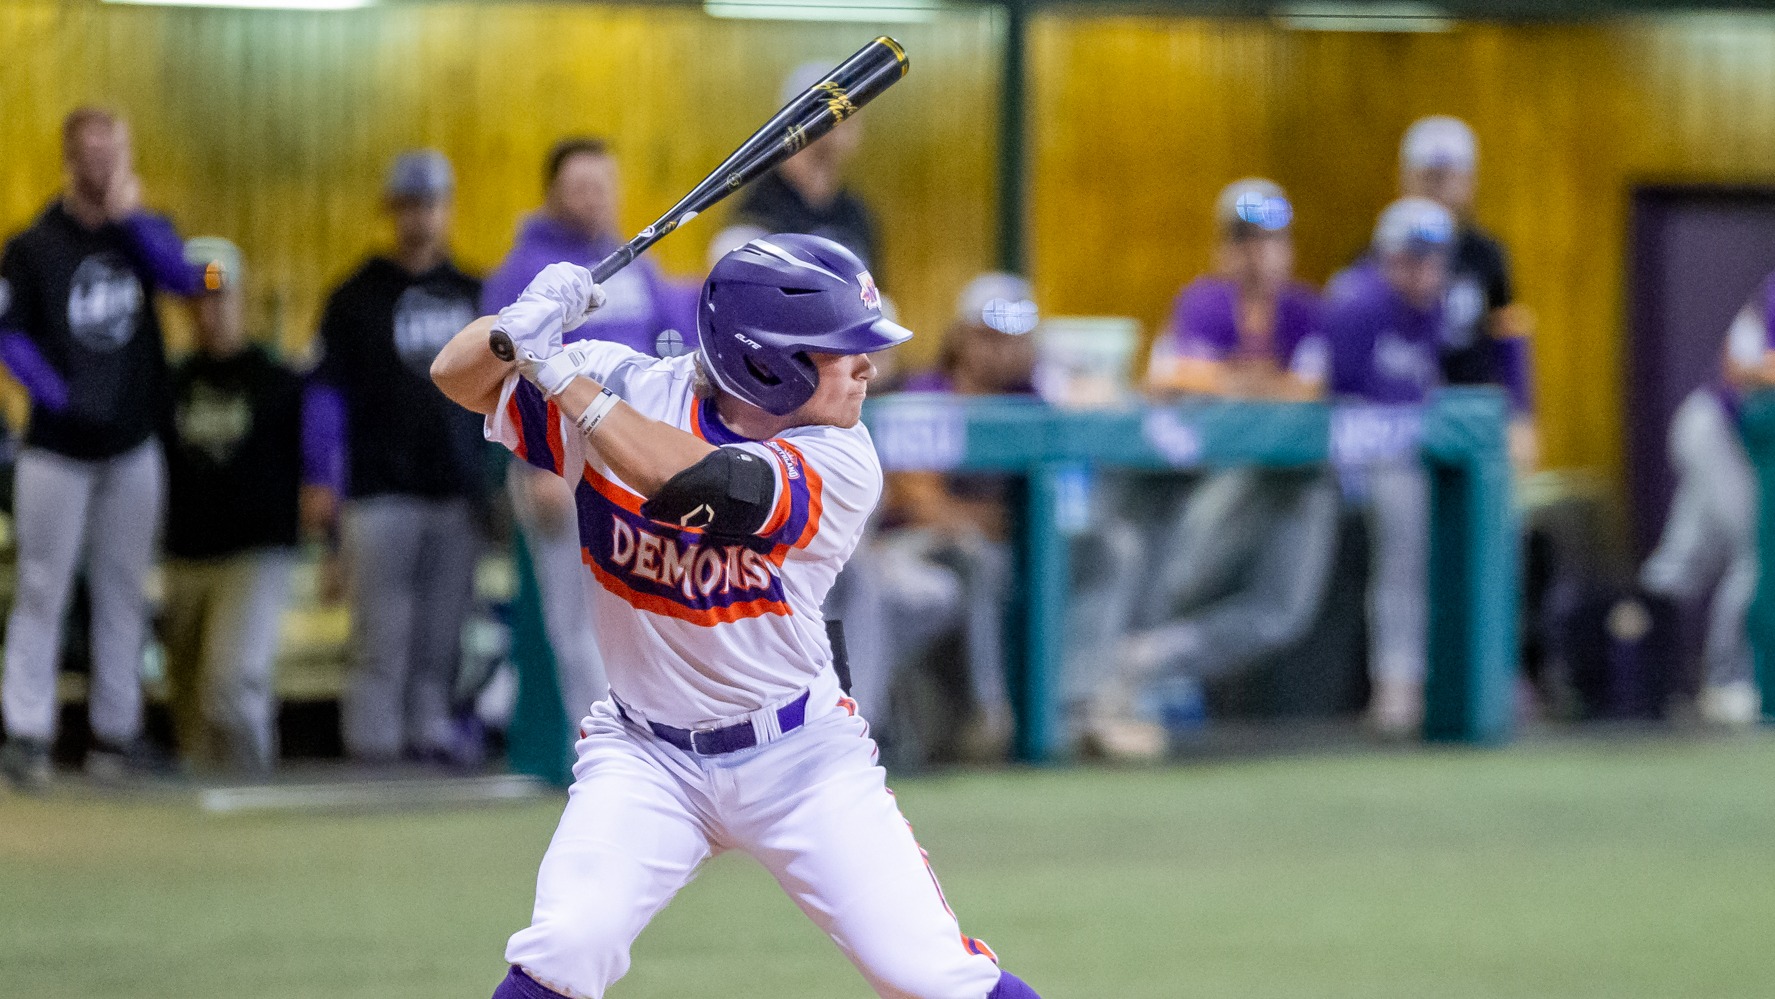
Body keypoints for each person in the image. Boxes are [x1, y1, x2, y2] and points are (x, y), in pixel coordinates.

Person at [430, 235, 1043, 999]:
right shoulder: (625, 385)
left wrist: (556, 369)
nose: (868, 366)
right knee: (566, 945)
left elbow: (698, 482)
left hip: (797, 754)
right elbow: (453, 377)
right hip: (647, 754)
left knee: (930, 973)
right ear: (765, 361)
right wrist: (511, 329)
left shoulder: (842, 456)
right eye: (842, 350)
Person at [1084, 179, 1339, 759]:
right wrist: (1257, 384)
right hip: (1207, 480)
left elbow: (1312, 392)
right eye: (1245, 240)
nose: (1259, 254)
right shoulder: (1205, 301)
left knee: (1282, 615)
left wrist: (1237, 382)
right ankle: (1112, 683)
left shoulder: (1304, 308)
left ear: (1288, 248)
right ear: (1226, 249)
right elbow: (1174, 381)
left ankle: (1140, 664)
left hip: (1296, 480)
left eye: (1271, 240)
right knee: (1177, 576)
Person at [0, 108, 203, 791]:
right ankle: (27, 731)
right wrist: (56, 397)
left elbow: (189, 282)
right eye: (90, 150)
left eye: (113, 149)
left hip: (132, 444)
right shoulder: (33, 245)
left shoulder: (145, 232)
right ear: (69, 155)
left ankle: (116, 734)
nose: (101, 161)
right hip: (56, 448)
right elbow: (8, 334)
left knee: (124, 590)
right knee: (42, 586)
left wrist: (134, 220)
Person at [484, 138, 699, 731]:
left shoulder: (637, 264)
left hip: (633, 459)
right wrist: (539, 466)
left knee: (648, 610)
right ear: (553, 194)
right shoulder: (526, 271)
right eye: (581, 187)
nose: (595, 199)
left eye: (604, 185)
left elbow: (677, 350)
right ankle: (602, 748)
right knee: (579, 623)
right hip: (560, 458)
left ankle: (655, 742)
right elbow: (506, 366)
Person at [306, 150, 486, 764]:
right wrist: (321, 476)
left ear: (446, 208)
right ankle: (373, 744)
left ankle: (427, 733)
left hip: (454, 488)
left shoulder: (474, 293)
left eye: (431, 202)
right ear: (393, 211)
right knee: (380, 633)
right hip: (380, 487)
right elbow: (327, 395)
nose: (421, 217)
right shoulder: (356, 297)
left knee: (441, 632)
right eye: (410, 205)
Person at [160, 237, 305, 772]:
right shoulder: (167, 382)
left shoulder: (278, 380)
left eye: (221, 295)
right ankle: (200, 815)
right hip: (187, 552)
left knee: (232, 683)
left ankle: (251, 789)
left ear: (240, 297)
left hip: (256, 551)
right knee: (190, 697)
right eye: (198, 298)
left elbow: (314, 463)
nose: (210, 309)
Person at [1325, 196, 1456, 736]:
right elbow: (1330, 400)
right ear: (1387, 257)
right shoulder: (1356, 302)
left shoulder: (1437, 311)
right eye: (1411, 257)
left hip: (1398, 456)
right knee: (1403, 524)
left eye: (1433, 259)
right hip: (1337, 462)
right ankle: (1396, 685)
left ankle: (1445, 679)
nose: (1423, 270)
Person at [1637, 279, 1774, 726]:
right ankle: (1728, 679)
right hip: (1715, 431)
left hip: (1737, 443)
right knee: (1758, 553)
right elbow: (1740, 367)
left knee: (1682, 562)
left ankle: (1641, 673)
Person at [1399, 115, 1538, 468]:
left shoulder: (1486, 255)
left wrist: (1522, 416)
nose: (1441, 190)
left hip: (1472, 408)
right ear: (1407, 180)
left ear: (1470, 181)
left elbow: (1509, 330)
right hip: (1403, 412)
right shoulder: (1380, 254)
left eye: (1451, 178)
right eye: (1430, 179)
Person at [709, 63, 881, 270]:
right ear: (800, 122)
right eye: (841, 110)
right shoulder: (757, 208)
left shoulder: (855, 212)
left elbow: (874, 295)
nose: (852, 117)